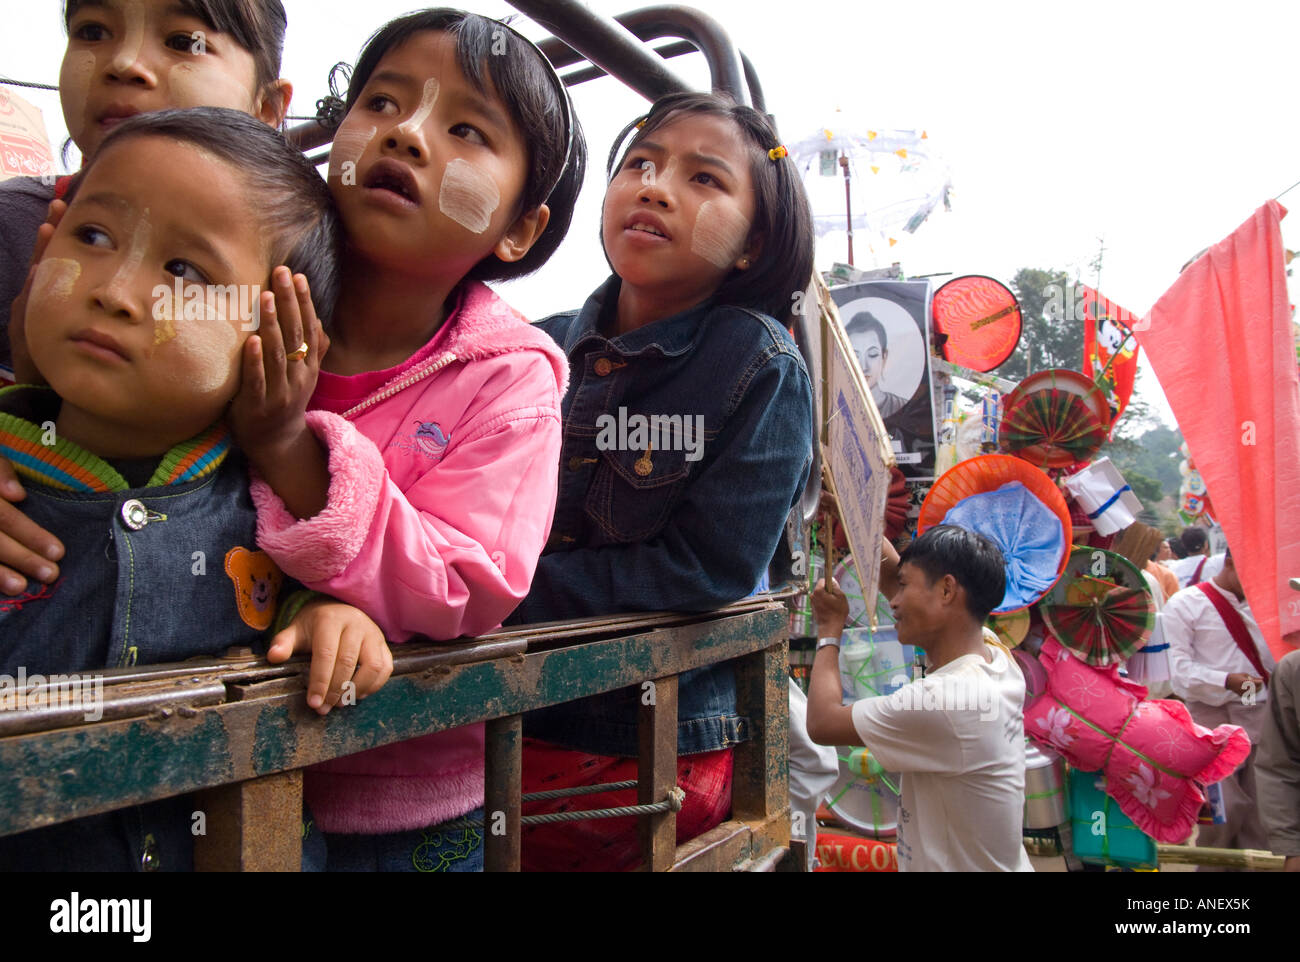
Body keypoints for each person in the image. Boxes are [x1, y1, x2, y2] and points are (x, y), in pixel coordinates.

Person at [2, 8, 587, 873]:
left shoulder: (509, 377)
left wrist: (290, 459)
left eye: (465, 128)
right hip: (224, 803)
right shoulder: (231, 282)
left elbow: (475, 576)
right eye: (382, 102)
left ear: (519, 230)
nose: (409, 136)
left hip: (405, 800)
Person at [0, 107, 390, 871]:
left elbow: (285, 599)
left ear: (282, 342)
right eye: (94, 237)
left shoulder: (267, 503)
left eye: (185, 272)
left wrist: (331, 619)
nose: (114, 291)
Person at [505, 90, 816, 871]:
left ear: (752, 243)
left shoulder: (758, 364)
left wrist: (495, 595)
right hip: (501, 707)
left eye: (704, 179)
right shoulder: (531, 349)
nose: (655, 185)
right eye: (639, 164)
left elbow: (705, 569)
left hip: (648, 742)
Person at [1, 0, 295, 382]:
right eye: (93, 32)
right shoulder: (10, 224)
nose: (125, 63)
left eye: (184, 42)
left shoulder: (285, 263)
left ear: (266, 108)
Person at [806, 524, 1033, 872]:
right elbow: (895, 581)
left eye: (906, 586)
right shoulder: (995, 657)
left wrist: (828, 629)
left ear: (946, 589)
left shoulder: (944, 700)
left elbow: (822, 723)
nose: (893, 602)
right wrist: (850, 518)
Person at [1163, 551, 1277, 859]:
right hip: (1211, 724)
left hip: (1261, 718)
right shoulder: (1186, 604)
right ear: (1230, 562)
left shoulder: (1269, 604)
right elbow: (1177, 671)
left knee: (1264, 813)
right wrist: (1226, 680)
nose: (1257, 583)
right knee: (1221, 813)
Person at [1255, 649, 1300, 871]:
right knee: (1234, 814)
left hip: (1253, 711)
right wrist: (1292, 846)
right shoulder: (1293, 669)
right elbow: (1279, 767)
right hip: (1237, 714)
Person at [846, 310, 908, 418]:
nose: (864, 367)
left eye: (872, 354)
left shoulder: (903, 407)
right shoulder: (834, 408)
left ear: (884, 357)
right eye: (855, 356)